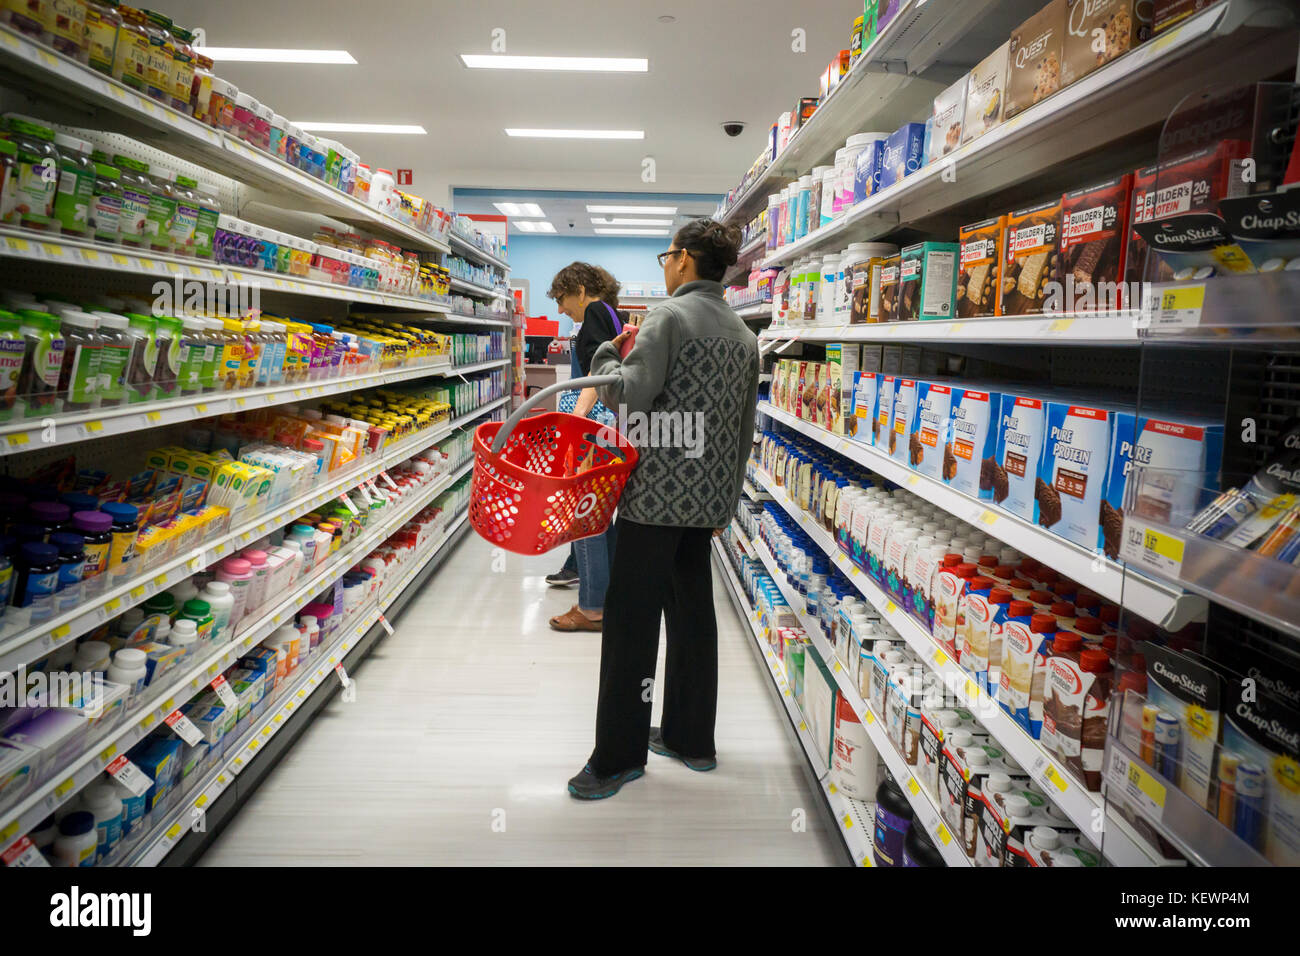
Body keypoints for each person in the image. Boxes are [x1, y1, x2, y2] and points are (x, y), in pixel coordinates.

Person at [566, 219, 758, 799]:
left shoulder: (669, 318)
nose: (665, 265)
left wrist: (606, 350)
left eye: (666, 256)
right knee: (693, 616)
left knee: (629, 623)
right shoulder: (744, 335)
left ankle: (617, 757)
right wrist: (726, 498)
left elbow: (630, 392)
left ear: (684, 260)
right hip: (705, 505)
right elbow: (743, 430)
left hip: (653, 499)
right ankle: (690, 738)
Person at [545, 262, 625, 632]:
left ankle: (592, 608)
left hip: (592, 426)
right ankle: (608, 598)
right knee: (600, 513)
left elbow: (599, 371)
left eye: (562, 298)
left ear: (579, 289)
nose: (560, 309)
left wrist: (578, 415)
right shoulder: (610, 311)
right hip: (605, 423)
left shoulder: (594, 310)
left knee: (585, 514)